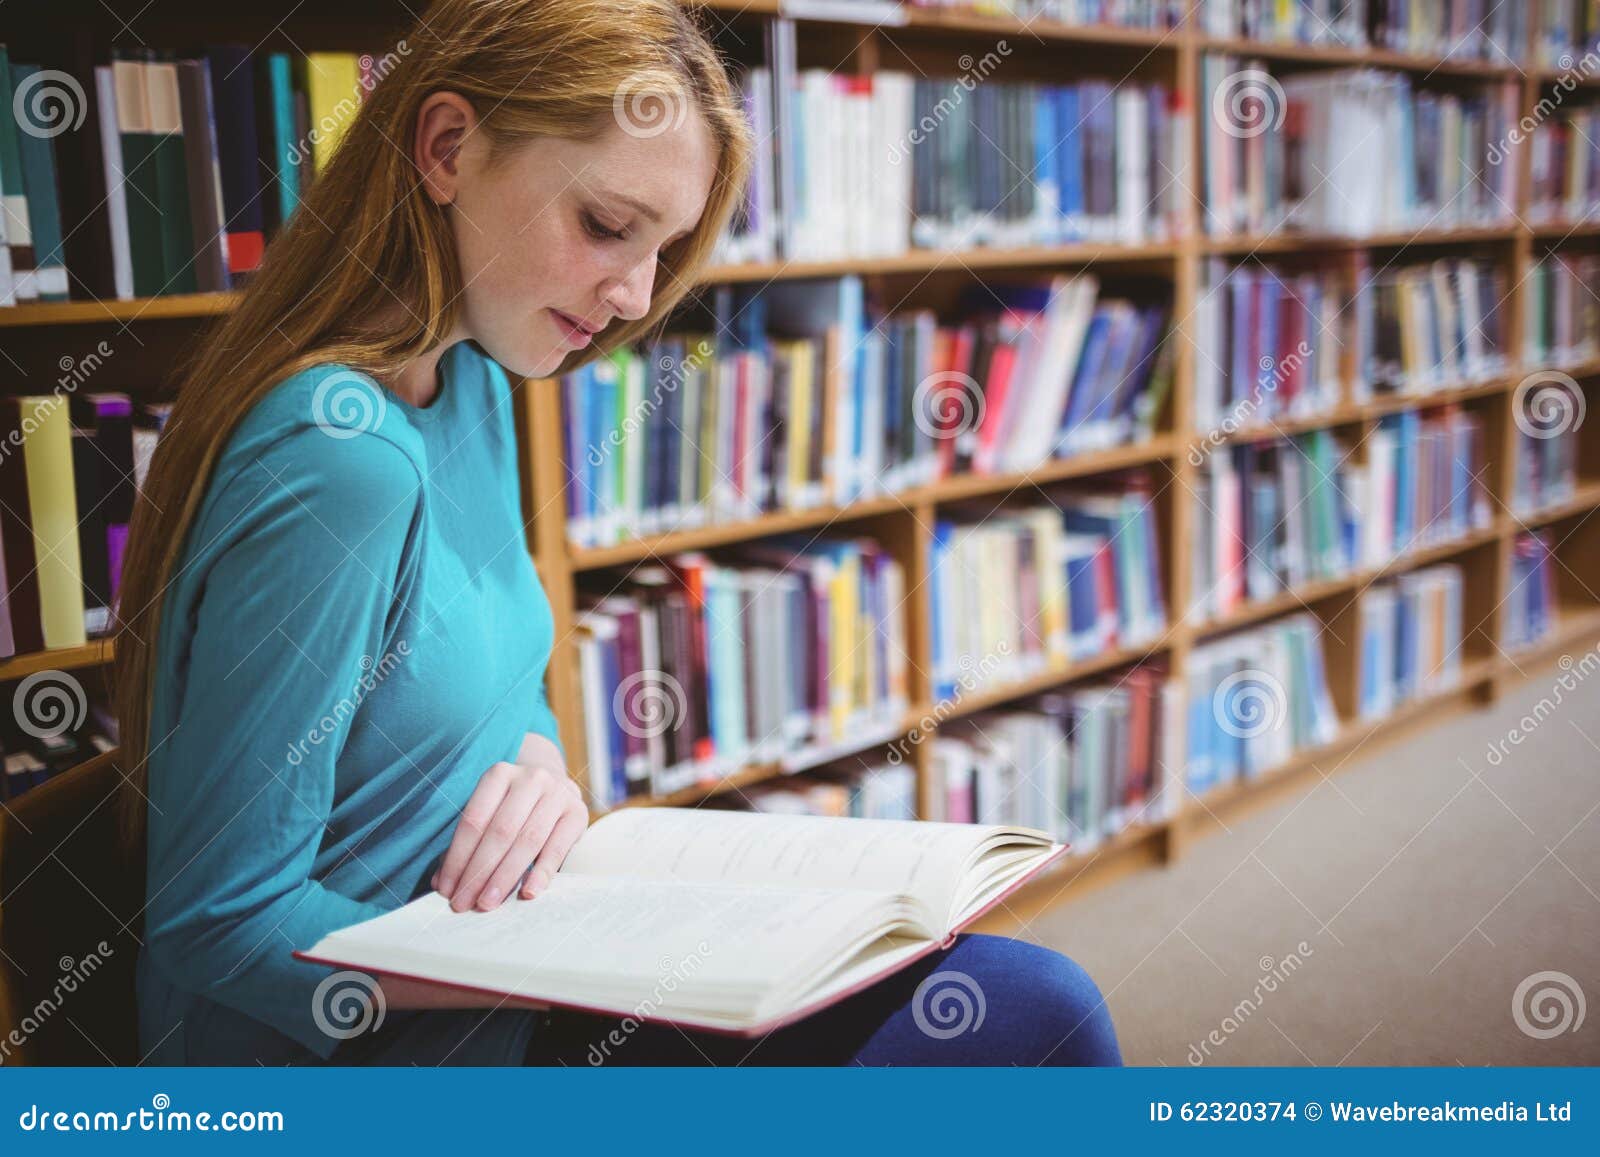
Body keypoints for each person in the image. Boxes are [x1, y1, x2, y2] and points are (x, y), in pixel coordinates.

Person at [114, 0, 1122, 1067]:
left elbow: (504, 675)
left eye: (662, 248)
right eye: (605, 225)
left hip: (513, 968)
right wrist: (529, 965)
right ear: (447, 148)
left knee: (1028, 999)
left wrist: (541, 757)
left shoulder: (474, 376)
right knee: (1032, 1023)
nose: (636, 294)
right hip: (377, 1048)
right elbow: (216, 918)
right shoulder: (339, 458)